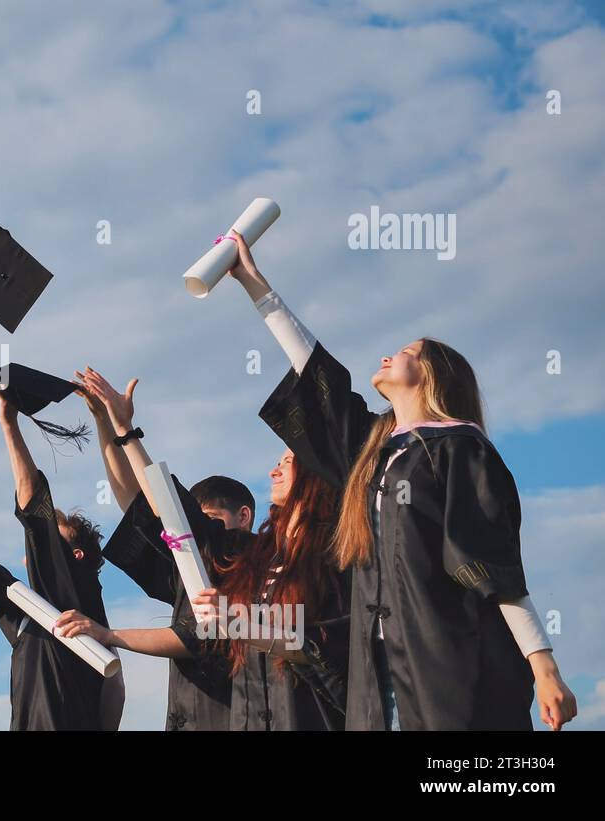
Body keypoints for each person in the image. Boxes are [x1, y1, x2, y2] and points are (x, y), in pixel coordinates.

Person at [226, 229, 577, 730]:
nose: (390, 355)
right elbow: (319, 377)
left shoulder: (461, 449)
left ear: (433, 377)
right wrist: (256, 287)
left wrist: (543, 665)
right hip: (378, 674)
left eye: (408, 351)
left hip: (447, 665)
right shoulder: (376, 455)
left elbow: (494, 568)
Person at [63, 368, 351, 730]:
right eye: (277, 462)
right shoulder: (244, 555)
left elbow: (320, 646)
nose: (274, 472)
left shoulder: (338, 558)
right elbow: (160, 509)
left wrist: (236, 620)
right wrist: (119, 429)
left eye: (289, 462)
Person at [0, 381, 122, 730]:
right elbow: (3, 586)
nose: (34, 557)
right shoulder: (34, 621)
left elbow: (34, 512)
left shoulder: (78, 596)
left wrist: (9, 425)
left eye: (53, 547)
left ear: (77, 557)